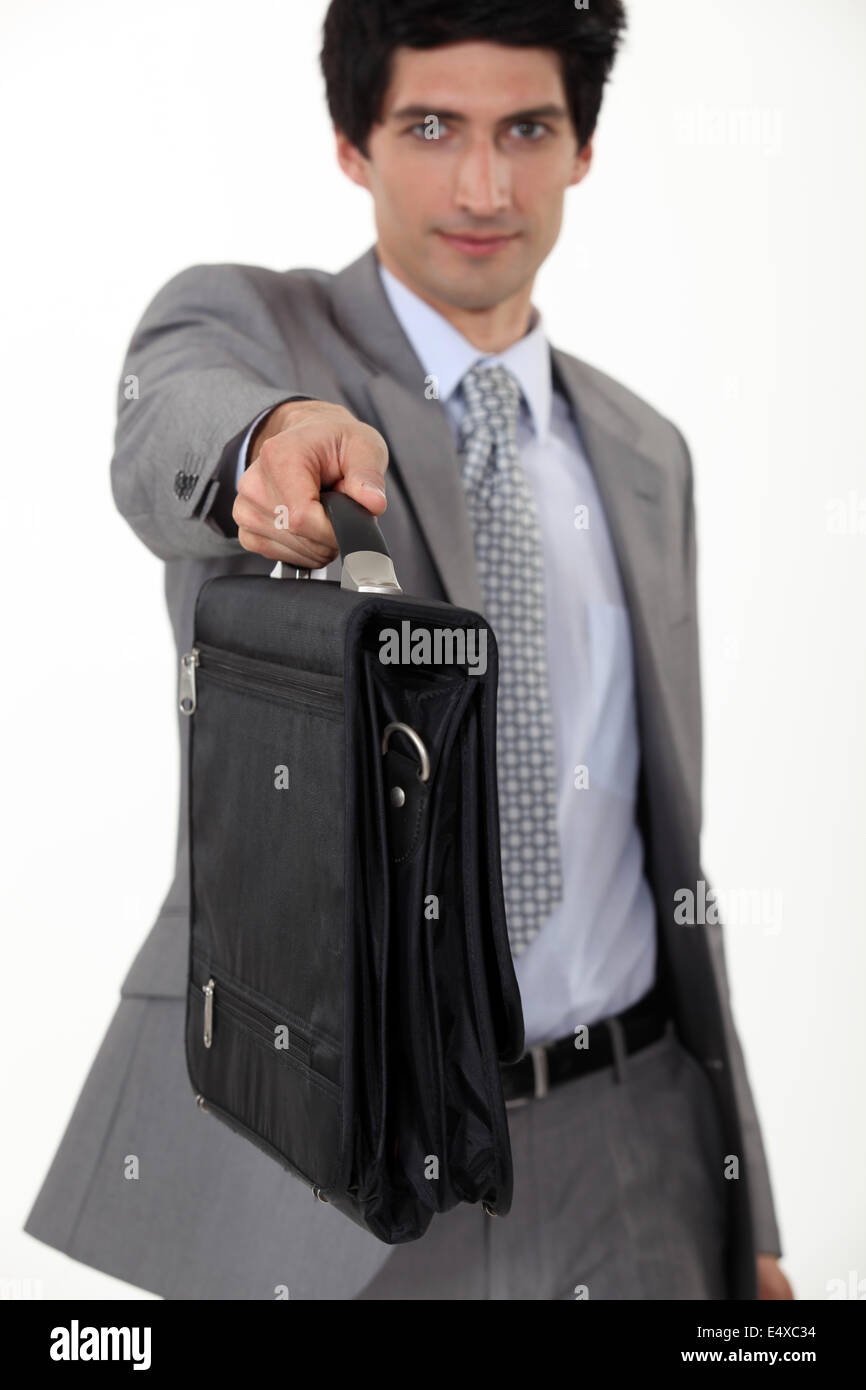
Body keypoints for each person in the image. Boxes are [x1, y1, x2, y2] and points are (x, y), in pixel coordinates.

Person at [24, 0, 793, 1300]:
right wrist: (262, 448)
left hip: (638, 1137)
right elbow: (171, 414)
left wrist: (744, 1199)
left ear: (581, 150)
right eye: (430, 126)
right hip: (345, 1154)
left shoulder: (644, 449)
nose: (484, 184)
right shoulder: (253, 333)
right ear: (352, 142)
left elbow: (673, 855)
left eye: (527, 129)